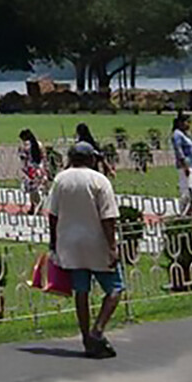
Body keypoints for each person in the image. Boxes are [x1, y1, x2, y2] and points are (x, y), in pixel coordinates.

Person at [47, 142, 123, 359]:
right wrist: (112, 246)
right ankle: (97, 331)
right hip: (96, 242)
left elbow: (52, 214)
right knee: (115, 288)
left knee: (82, 290)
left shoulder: (61, 179)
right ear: (91, 159)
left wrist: (54, 242)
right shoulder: (99, 180)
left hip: (70, 244)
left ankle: (85, 337)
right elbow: (108, 217)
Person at [171, 114, 192, 218]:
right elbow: (179, 151)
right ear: (180, 123)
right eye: (187, 122)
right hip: (187, 166)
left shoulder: (186, 134)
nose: (189, 125)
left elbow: (191, 146)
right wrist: (185, 166)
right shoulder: (177, 135)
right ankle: (186, 211)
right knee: (188, 188)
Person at [19, 129, 47, 214]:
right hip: (39, 169)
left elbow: (23, 158)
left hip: (30, 170)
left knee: (31, 190)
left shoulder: (25, 146)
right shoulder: (39, 144)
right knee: (36, 188)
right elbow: (44, 156)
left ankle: (35, 205)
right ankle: (37, 206)